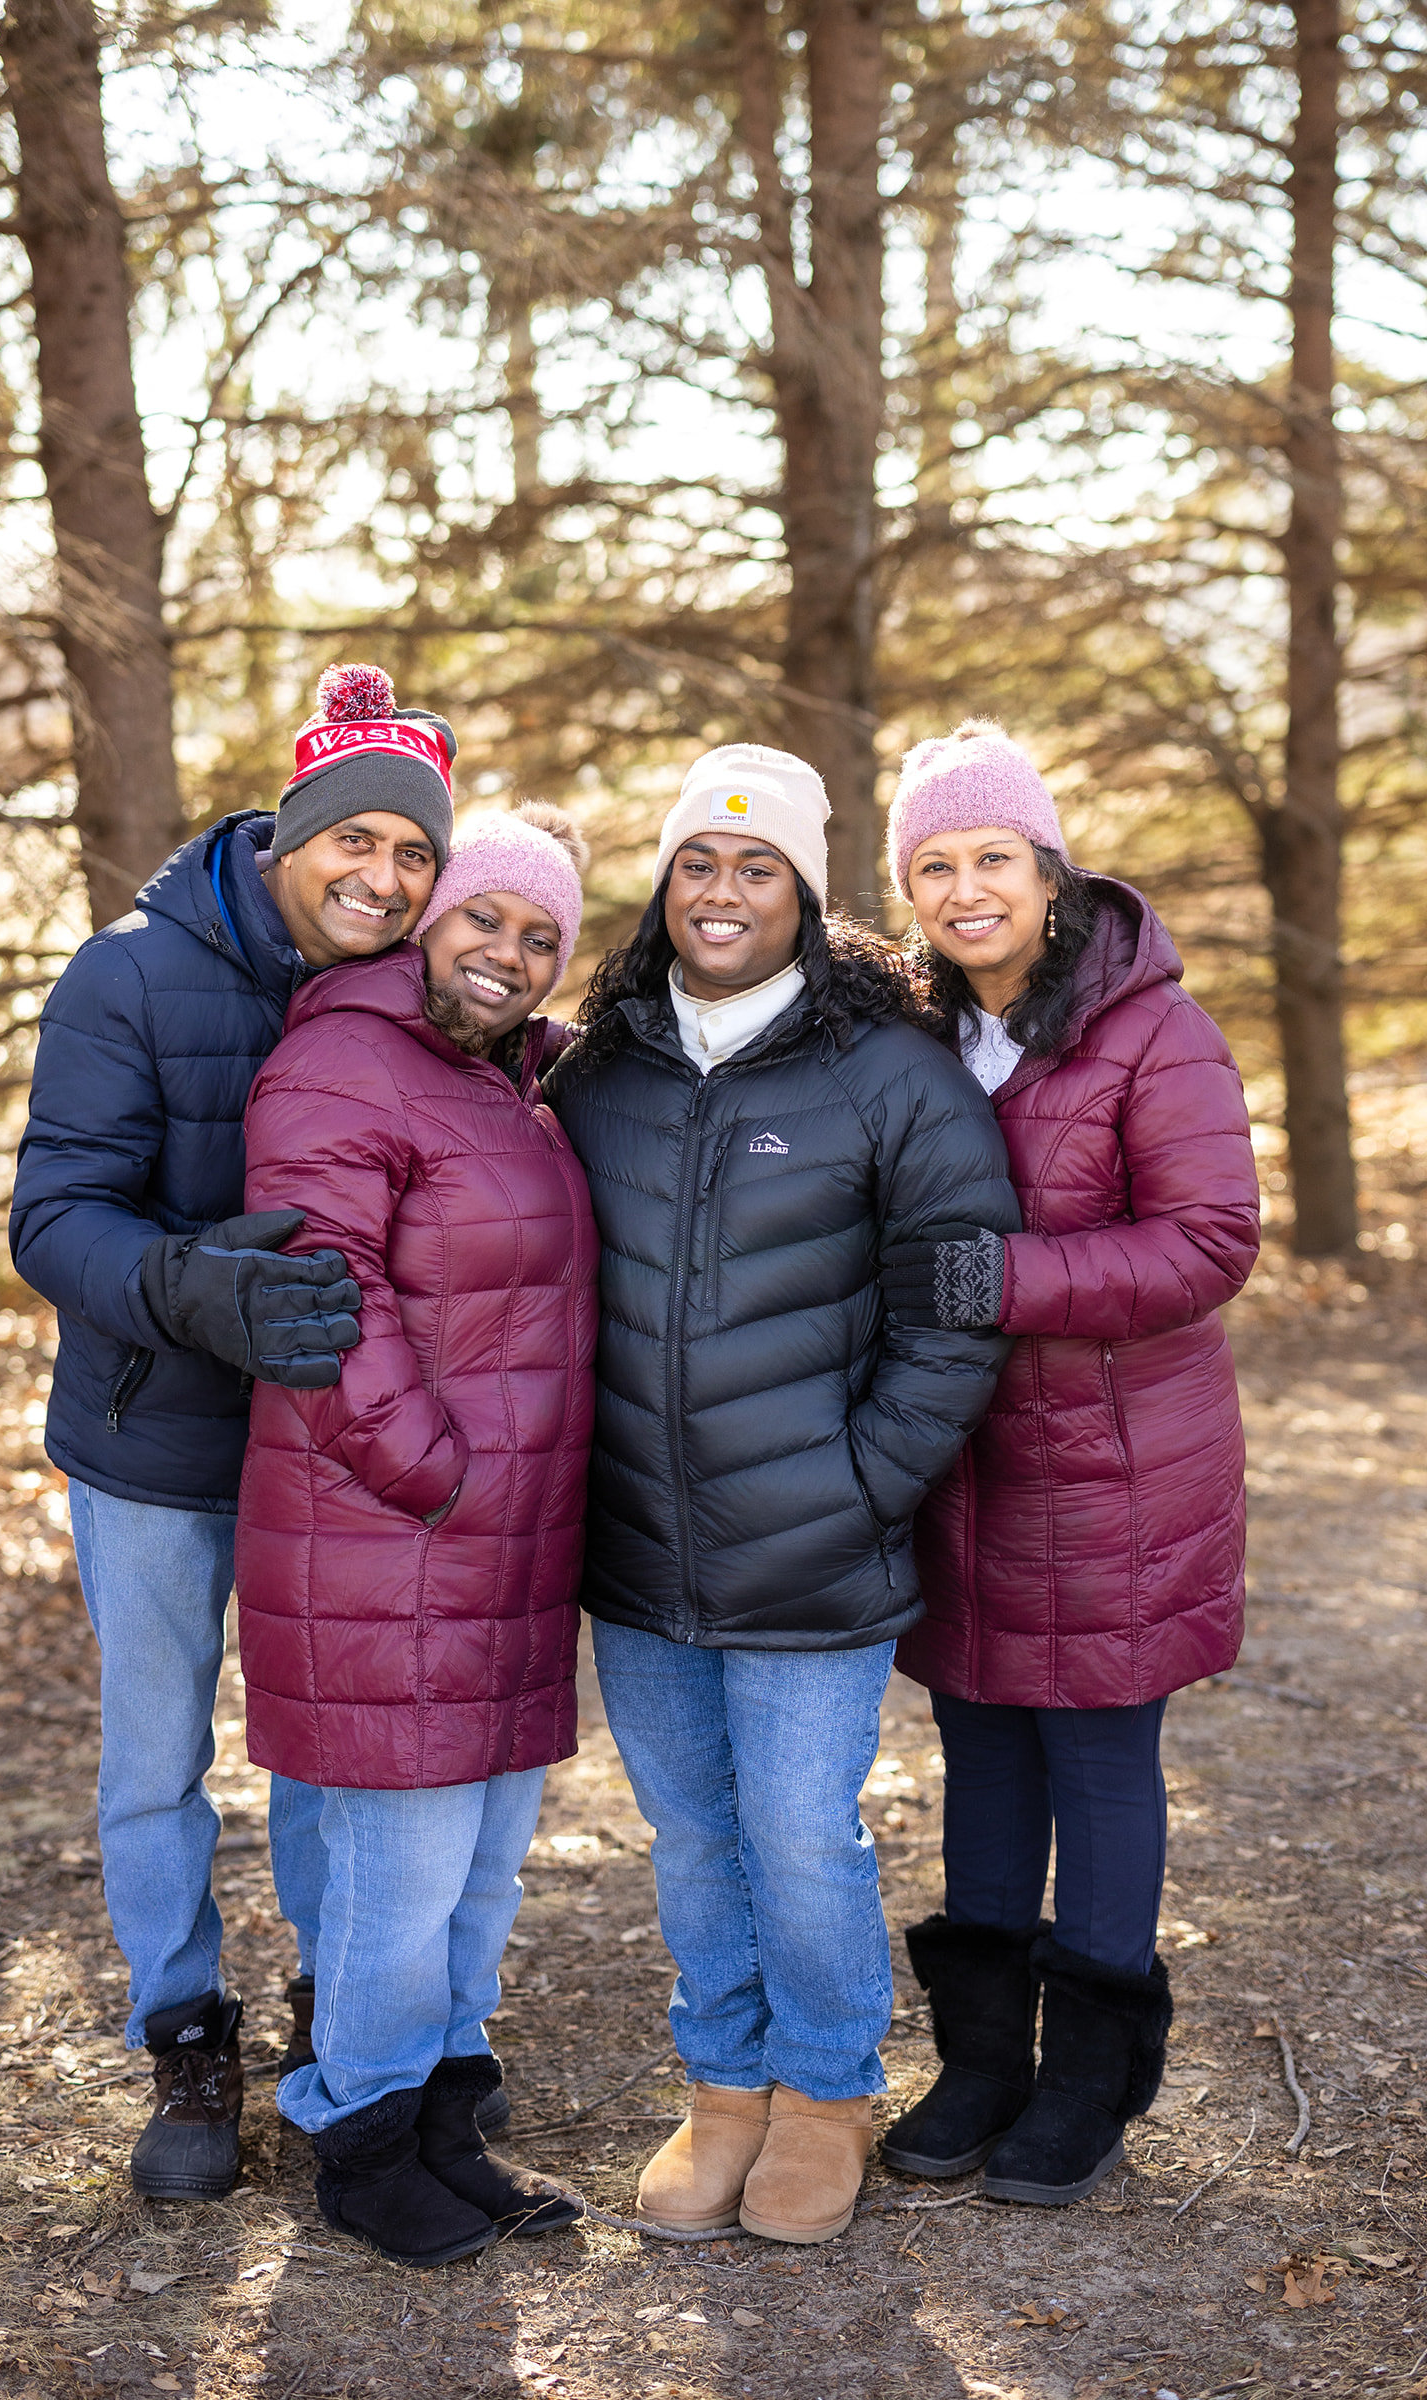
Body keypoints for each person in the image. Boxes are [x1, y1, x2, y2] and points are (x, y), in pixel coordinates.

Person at [546, 745, 1020, 2248]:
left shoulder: (888, 1072)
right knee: (690, 1835)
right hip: (636, 1541)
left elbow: (955, 1309)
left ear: (807, 895)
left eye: (760, 868)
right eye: (700, 863)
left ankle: (825, 2094)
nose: (725, 891)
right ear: (665, 887)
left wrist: (865, 1480)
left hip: (816, 1544)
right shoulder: (599, 1068)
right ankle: (724, 2085)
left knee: (803, 1834)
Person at [10, 661, 464, 2201]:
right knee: (156, 1756)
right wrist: (179, 1287)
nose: (384, 877)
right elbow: (52, 1215)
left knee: (332, 1758)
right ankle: (185, 2031)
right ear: (293, 834)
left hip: (330, 1448)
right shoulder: (129, 973)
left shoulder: (416, 988)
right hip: (153, 1444)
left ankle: (342, 2019)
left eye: (415, 855)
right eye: (360, 843)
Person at [877, 719, 1261, 2206]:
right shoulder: (916, 1032)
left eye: (990, 858)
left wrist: (1003, 1280)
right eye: (933, 866)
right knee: (978, 1745)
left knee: (1097, 1757)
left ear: (1047, 870)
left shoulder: (1152, 1027)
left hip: (1116, 1467)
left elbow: (1210, 1240)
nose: (965, 888)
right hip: (959, 1464)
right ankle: (984, 2061)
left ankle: (1089, 2077)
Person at [234, 803, 599, 2270]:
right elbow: (326, 1302)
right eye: (485, 919)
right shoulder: (339, 1056)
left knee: (484, 1860)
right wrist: (440, 1477)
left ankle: (445, 2110)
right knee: (399, 1869)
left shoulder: (512, 1079)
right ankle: (361, 2132)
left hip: (506, 1542)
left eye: (540, 936)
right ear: (428, 918)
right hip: (393, 1534)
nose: (507, 953)